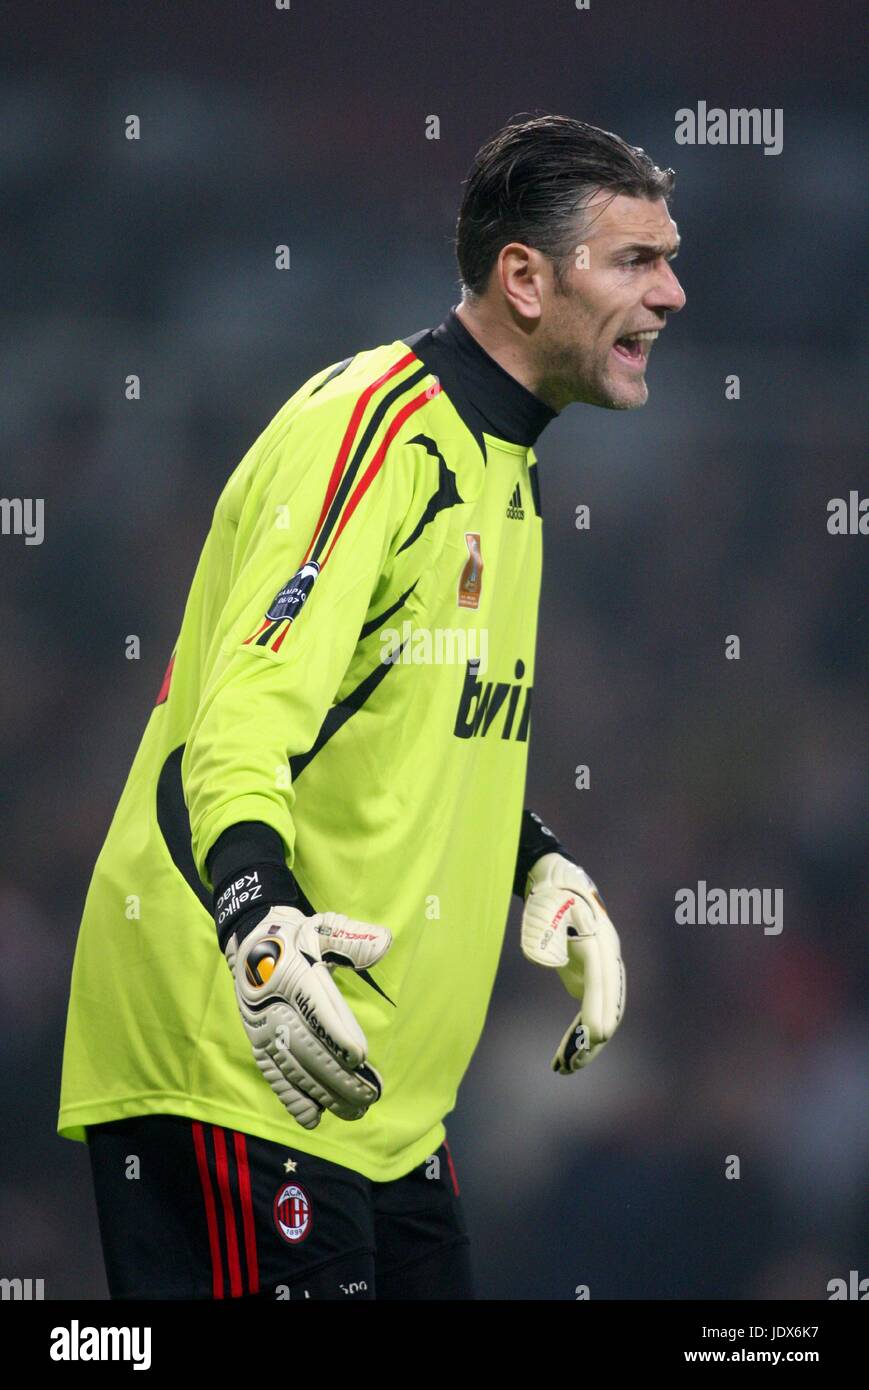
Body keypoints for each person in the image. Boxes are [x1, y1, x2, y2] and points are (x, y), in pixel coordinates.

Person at [58, 114, 685, 1300]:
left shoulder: (507, 468)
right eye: (634, 261)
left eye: (668, 257)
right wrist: (257, 926)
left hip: (378, 1098)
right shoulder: (372, 427)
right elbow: (238, 719)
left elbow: (414, 729)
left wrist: (536, 863)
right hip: (243, 1050)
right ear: (523, 278)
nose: (672, 293)